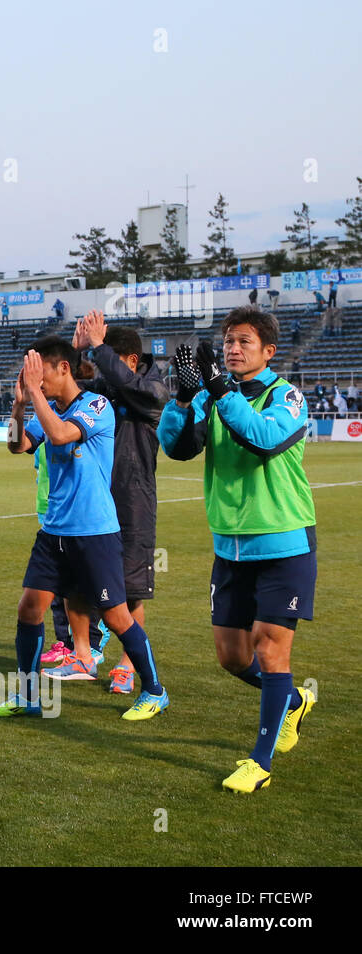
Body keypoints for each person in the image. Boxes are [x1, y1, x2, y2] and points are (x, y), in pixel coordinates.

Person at [159, 307, 318, 793]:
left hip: (284, 541)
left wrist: (220, 391)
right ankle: (293, 701)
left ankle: (260, 762)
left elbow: (262, 440)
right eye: (228, 340)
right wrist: (185, 400)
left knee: (271, 649)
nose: (231, 348)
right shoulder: (212, 395)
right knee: (231, 657)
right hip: (229, 546)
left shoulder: (287, 396)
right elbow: (178, 447)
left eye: (244, 341)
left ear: (268, 351)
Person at [0, 336, 169, 720]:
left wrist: (35, 395)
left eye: (42, 378)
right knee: (29, 609)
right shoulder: (49, 407)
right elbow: (15, 445)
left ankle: (155, 690)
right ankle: (28, 697)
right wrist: (20, 403)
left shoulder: (97, 405)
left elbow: (59, 434)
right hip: (54, 533)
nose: (38, 385)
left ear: (63, 369)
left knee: (116, 617)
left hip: (95, 534)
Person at [61, 310, 170, 694]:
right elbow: (69, 393)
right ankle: (82, 654)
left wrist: (97, 347)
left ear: (132, 362)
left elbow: (129, 385)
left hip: (133, 500)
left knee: (131, 588)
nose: (107, 371)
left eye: (112, 360)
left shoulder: (154, 390)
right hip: (93, 499)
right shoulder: (108, 386)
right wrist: (76, 355)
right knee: (75, 579)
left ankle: (126, 666)